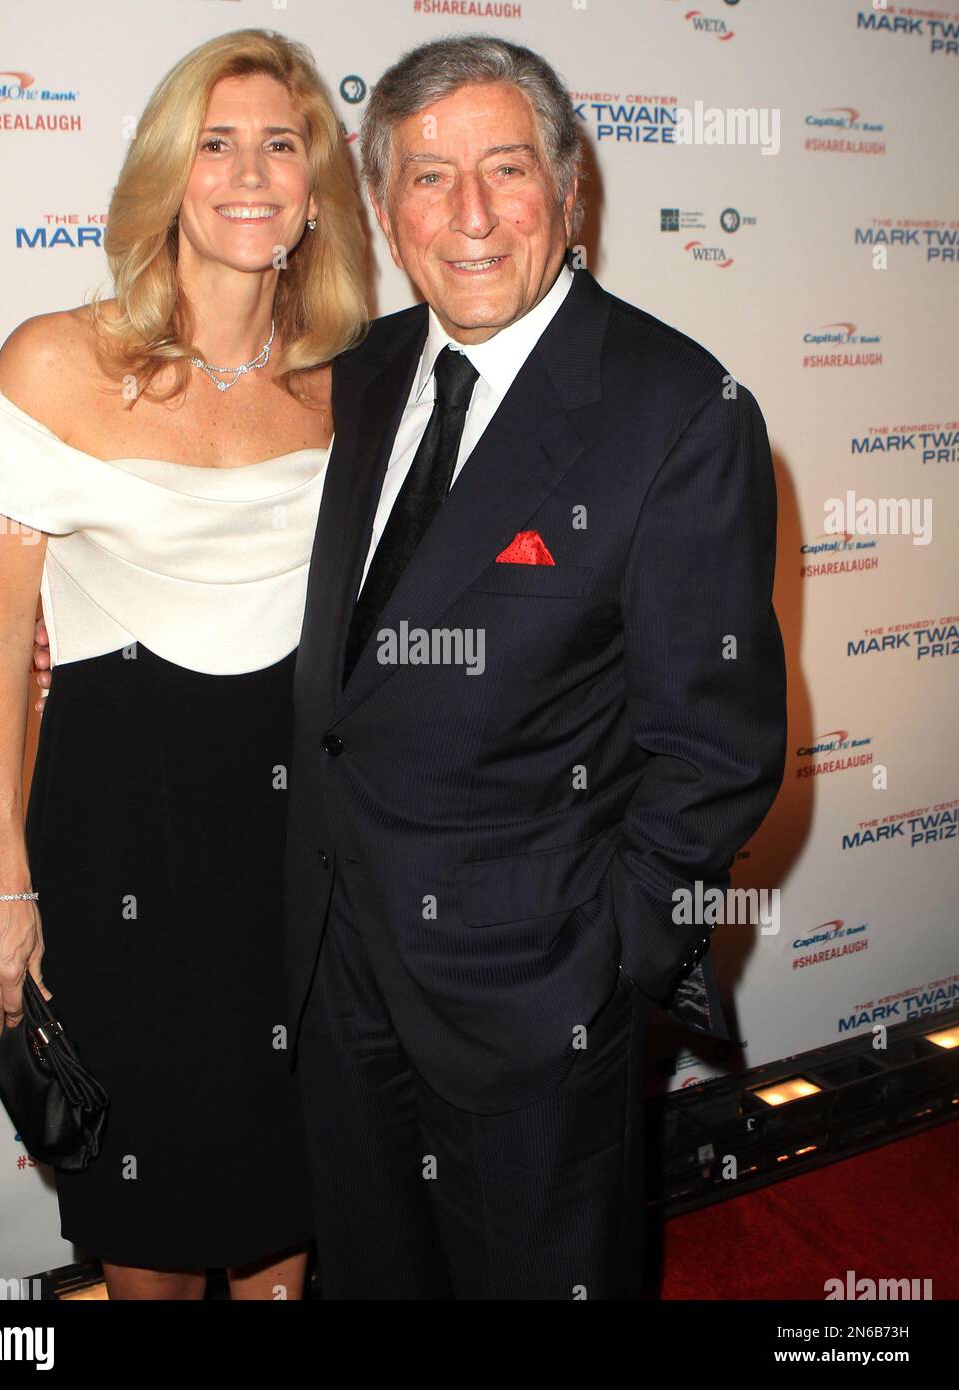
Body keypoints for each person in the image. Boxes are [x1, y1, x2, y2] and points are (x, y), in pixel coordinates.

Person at [281, 35, 788, 1299]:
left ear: (570, 191)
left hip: (534, 1001)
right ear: (386, 206)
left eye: (505, 169)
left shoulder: (678, 409)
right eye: (428, 176)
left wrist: (597, 966)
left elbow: (715, 752)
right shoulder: (360, 377)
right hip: (339, 974)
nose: (468, 216)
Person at [0, 28, 366, 1300]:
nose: (250, 173)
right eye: (216, 143)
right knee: (147, 1214)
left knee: (288, 1190)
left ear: (314, 186)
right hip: (121, 837)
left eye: (281, 144)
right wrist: (2, 883)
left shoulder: (352, 380)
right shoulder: (49, 363)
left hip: (298, 852)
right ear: (164, 174)